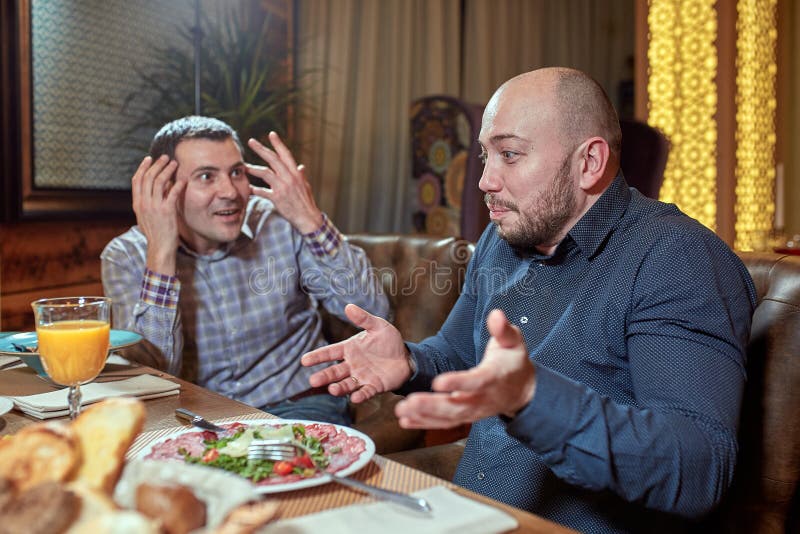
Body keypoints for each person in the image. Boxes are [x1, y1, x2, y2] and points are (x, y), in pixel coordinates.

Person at [301, 68, 757, 532]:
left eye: (510, 154)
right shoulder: (505, 236)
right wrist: (409, 362)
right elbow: (458, 356)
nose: (484, 181)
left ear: (589, 162)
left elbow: (699, 469)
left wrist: (531, 399)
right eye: (486, 156)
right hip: (470, 518)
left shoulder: (676, 257)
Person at [102, 116, 389, 425]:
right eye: (206, 176)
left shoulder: (280, 220)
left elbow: (374, 310)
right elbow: (155, 375)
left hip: (301, 402)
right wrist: (161, 254)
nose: (230, 191)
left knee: (275, 457)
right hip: (198, 417)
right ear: (164, 188)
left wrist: (309, 219)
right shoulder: (125, 256)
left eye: (236, 172)